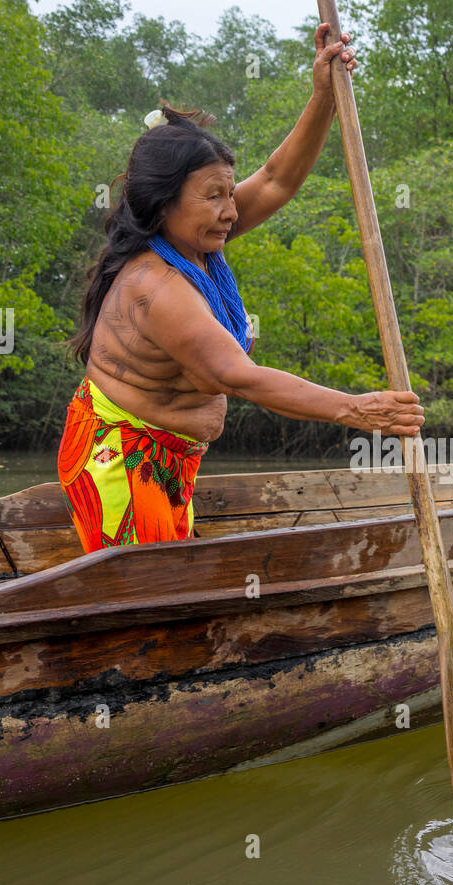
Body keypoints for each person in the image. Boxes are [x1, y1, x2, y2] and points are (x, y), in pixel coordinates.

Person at [58, 23, 422, 552]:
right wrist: (353, 409)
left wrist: (323, 96)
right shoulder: (154, 286)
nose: (232, 212)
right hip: (120, 459)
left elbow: (276, 180)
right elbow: (237, 375)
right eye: (214, 196)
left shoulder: (196, 240)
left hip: (168, 456)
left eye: (231, 192)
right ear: (163, 203)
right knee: (155, 605)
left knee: (168, 595)